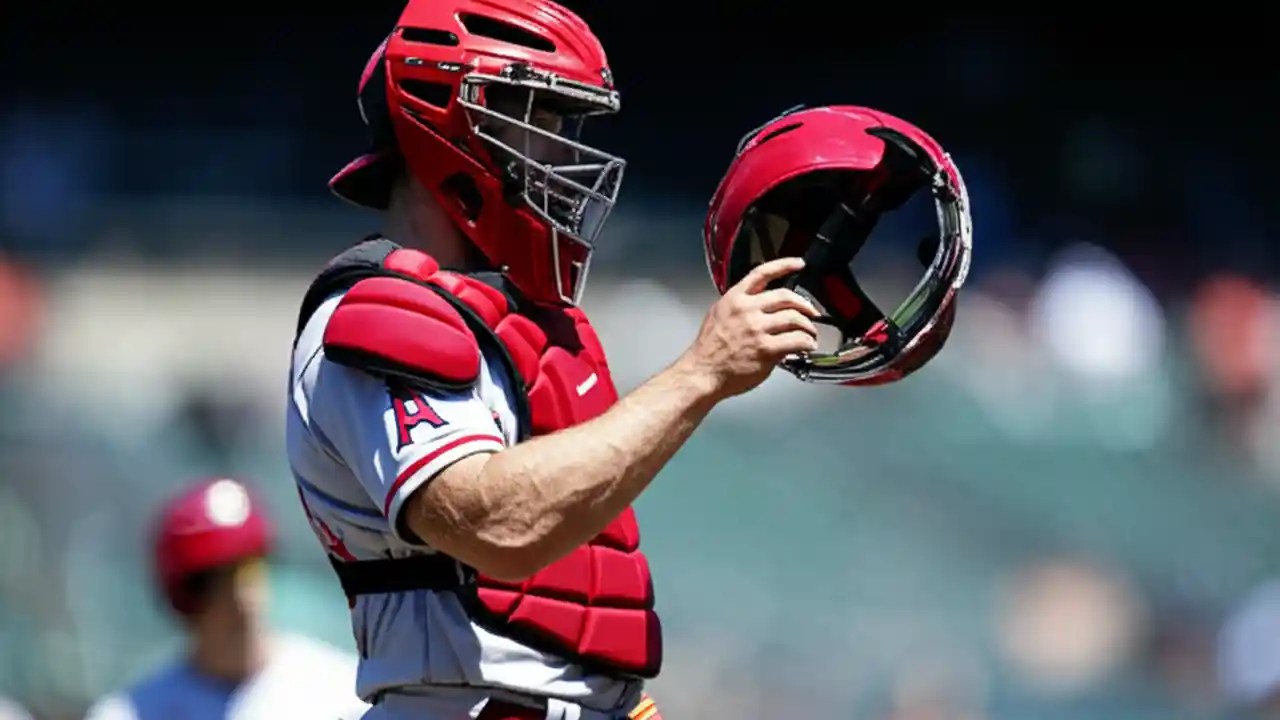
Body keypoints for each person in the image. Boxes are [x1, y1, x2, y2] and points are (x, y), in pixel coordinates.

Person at [284, 1, 822, 718]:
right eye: (538, 121)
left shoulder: (515, 322)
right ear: (446, 119)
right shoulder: (378, 315)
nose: (563, 154)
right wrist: (702, 374)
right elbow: (493, 529)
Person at [83, 478, 369, 720]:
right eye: (215, 581)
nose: (240, 596)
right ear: (184, 596)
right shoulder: (130, 713)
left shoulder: (342, 692)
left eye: (247, 568)